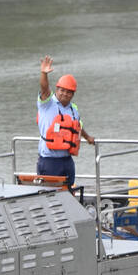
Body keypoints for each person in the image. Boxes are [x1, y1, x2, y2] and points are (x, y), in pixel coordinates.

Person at [36, 55, 95, 189]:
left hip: (67, 161)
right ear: (57, 90)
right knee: (50, 195)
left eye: (69, 92)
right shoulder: (47, 104)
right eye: (62, 90)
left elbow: (78, 126)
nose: (65, 94)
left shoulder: (73, 109)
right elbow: (44, 88)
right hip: (49, 161)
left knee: (69, 193)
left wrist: (88, 138)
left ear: (73, 94)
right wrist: (44, 73)